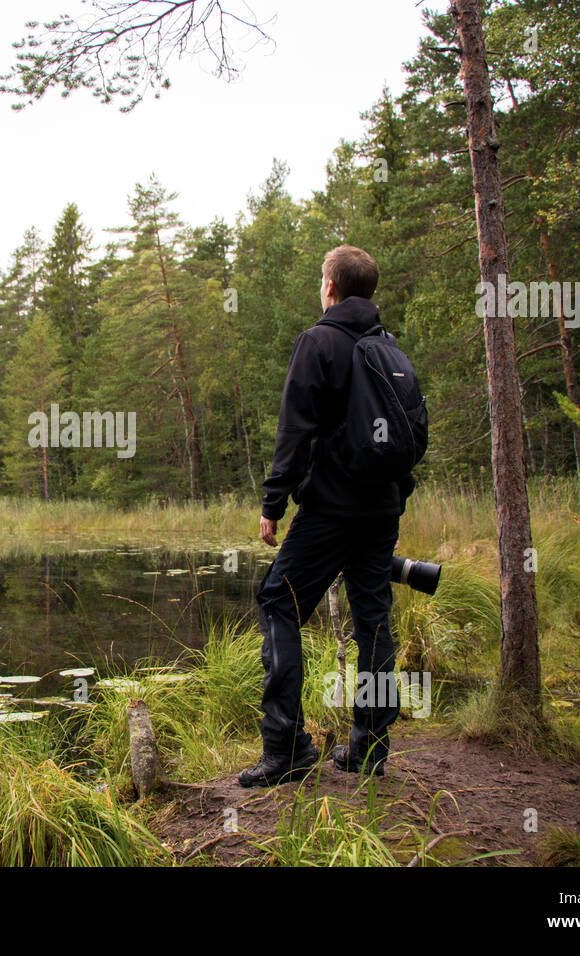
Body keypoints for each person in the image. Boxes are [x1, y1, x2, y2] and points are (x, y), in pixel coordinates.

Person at [239, 244, 417, 788]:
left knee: (278, 602)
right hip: (381, 511)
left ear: (331, 288)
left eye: (322, 279)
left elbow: (294, 431)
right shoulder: (391, 350)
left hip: (330, 510)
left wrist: (273, 504)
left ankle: (287, 746)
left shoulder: (318, 342)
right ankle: (369, 748)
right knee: (374, 623)